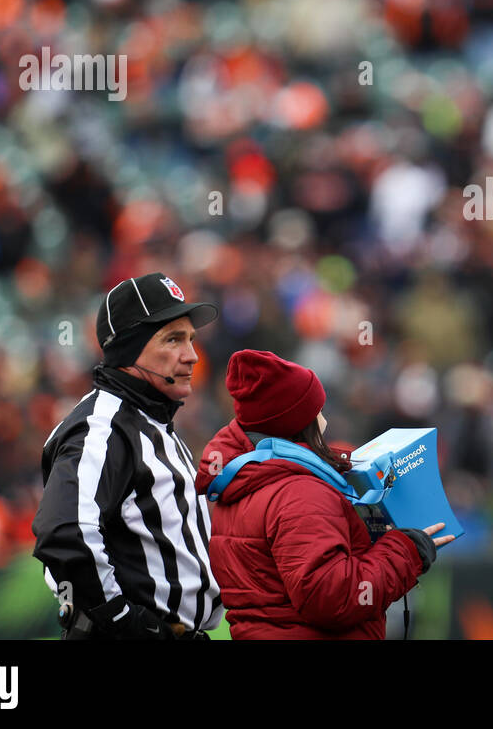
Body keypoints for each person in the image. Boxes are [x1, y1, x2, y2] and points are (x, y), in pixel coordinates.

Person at [194, 349, 453, 639]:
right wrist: (405, 552)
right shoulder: (300, 491)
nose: (324, 419)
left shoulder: (242, 481)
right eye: (317, 409)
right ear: (296, 421)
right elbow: (332, 598)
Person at [32, 272, 224, 639]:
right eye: (173, 339)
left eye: (191, 340)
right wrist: (126, 622)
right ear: (130, 350)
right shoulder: (102, 426)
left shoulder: (150, 422)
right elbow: (64, 532)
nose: (191, 356)